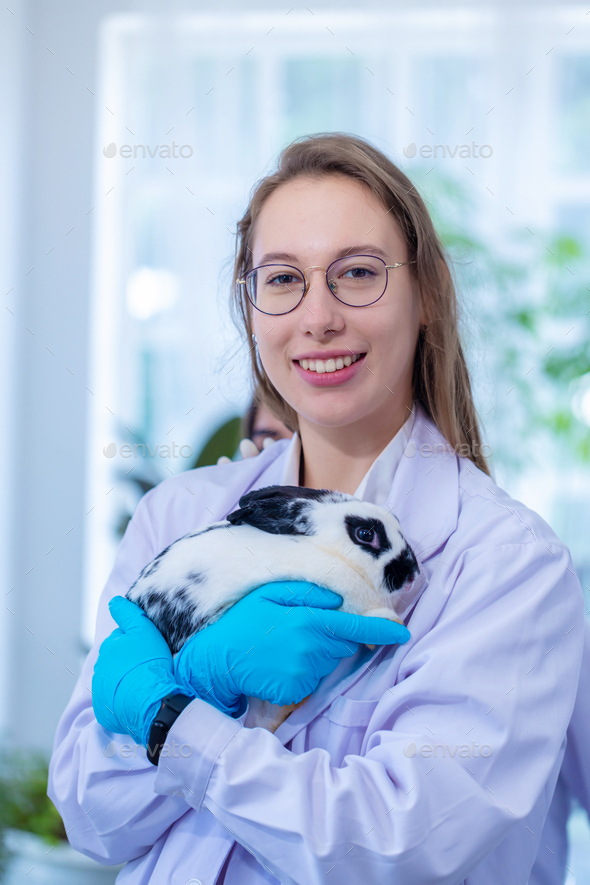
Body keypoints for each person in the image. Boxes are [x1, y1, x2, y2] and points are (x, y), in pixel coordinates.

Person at [47, 133, 585, 885]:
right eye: (282, 279)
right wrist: (203, 688)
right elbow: (88, 811)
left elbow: (393, 843)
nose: (318, 316)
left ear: (426, 293)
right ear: (251, 304)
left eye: (357, 273)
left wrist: (170, 718)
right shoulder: (177, 518)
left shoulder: (504, 565)